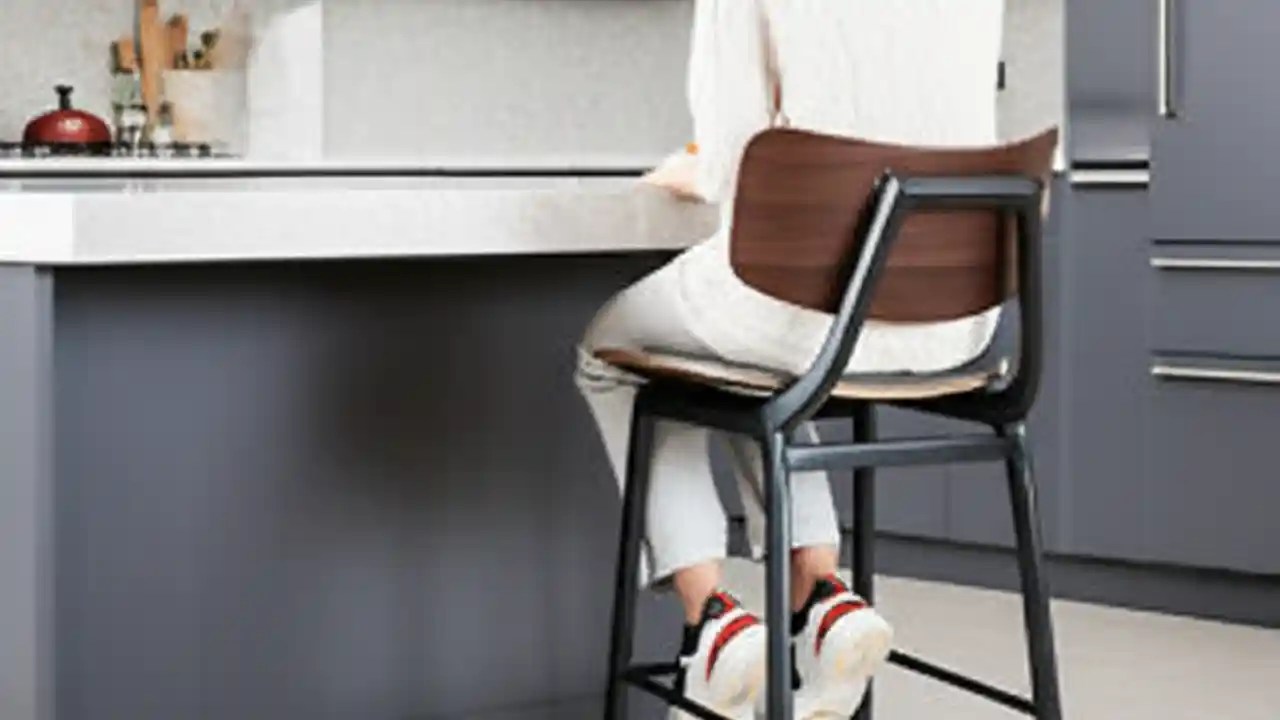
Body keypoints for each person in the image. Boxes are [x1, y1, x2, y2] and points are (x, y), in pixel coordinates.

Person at [575, 1, 1006, 717]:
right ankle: (821, 600)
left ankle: (710, 620)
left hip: (804, 316)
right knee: (774, 364)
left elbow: (733, 156)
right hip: (953, 316)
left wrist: (697, 171)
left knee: (620, 352)